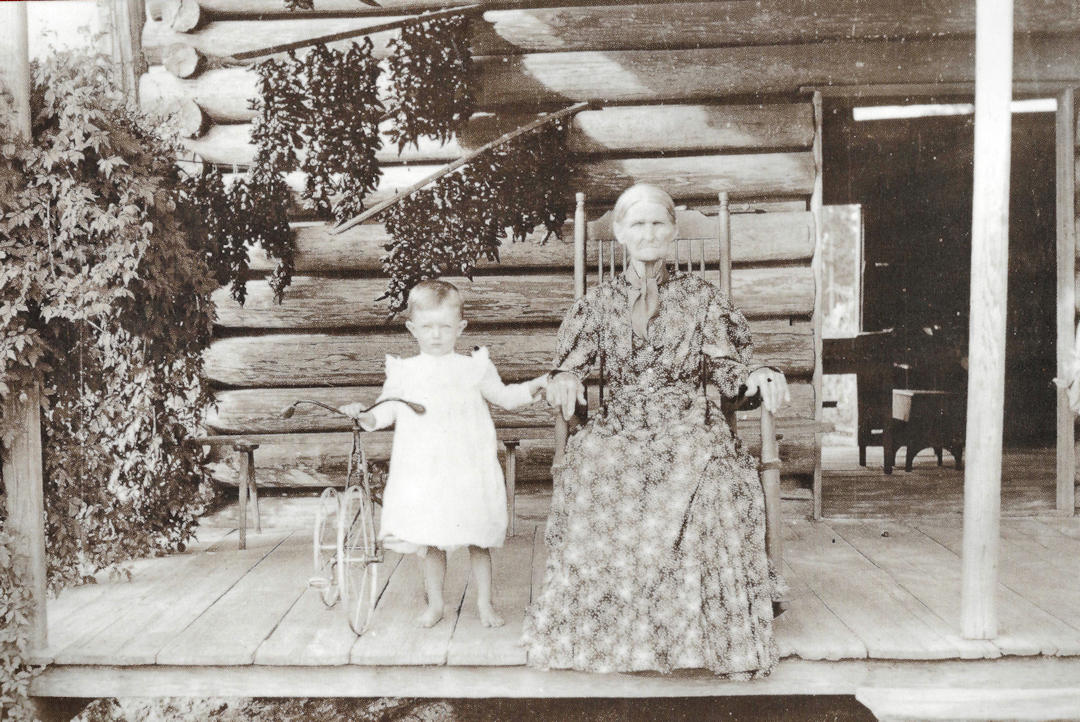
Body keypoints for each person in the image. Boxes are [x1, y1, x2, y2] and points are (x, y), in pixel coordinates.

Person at [522, 183, 790, 677]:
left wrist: (756, 374)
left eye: (658, 224)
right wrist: (563, 380)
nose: (648, 233)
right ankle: (616, 632)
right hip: (620, 425)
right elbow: (570, 365)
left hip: (689, 422)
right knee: (594, 470)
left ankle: (704, 636)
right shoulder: (598, 302)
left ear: (672, 232)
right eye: (638, 224)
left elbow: (727, 367)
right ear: (621, 233)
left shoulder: (701, 298)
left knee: (714, 481)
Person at [341, 280, 548, 628]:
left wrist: (535, 387)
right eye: (427, 327)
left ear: (461, 328)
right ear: (412, 329)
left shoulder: (474, 367)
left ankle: (485, 603)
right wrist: (365, 416)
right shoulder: (405, 372)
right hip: (426, 470)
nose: (436, 335)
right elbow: (385, 411)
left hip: (468, 467)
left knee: (477, 537)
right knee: (432, 540)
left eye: (445, 327)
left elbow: (505, 397)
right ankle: (435, 603)